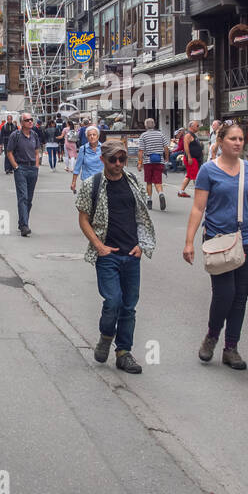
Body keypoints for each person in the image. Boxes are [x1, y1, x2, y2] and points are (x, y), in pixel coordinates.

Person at [182, 121, 248, 369]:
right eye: (232, 139)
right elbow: (198, 208)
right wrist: (189, 242)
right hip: (218, 240)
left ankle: (231, 348)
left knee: (239, 297)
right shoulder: (208, 171)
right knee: (224, 293)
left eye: (240, 139)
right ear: (221, 141)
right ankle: (212, 335)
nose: (238, 143)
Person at [76, 138, 155, 376]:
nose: (119, 164)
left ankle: (123, 353)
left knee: (129, 306)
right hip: (107, 254)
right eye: (114, 160)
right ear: (103, 160)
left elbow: (142, 216)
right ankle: (106, 336)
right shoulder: (92, 185)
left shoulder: (133, 182)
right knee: (113, 302)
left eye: (122, 159)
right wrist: (99, 246)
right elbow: (83, 219)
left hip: (132, 253)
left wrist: (142, 245)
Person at [6, 112, 42, 236]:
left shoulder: (34, 135)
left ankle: (22, 222)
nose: (30, 122)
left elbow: (37, 152)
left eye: (31, 119)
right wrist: (15, 166)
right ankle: (25, 226)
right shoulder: (15, 135)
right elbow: (9, 152)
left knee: (29, 199)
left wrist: (37, 166)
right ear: (22, 123)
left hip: (33, 168)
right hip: (21, 168)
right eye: (27, 120)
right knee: (23, 197)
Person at [136, 118, 169, 211]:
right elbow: (166, 147)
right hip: (159, 161)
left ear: (145, 126)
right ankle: (161, 194)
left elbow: (141, 151)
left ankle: (149, 201)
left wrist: (139, 163)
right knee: (158, 181)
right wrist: (166, 158)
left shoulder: (143, 136)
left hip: (148, 161)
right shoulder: (160, 134)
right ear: (154, 125)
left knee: (149, 182)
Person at [70, 125, 103, 195]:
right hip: (87, 183)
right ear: (87, 137)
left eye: (94, 134)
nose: (92, 136)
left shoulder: (104, 148)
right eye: (89, 135)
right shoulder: (83, 149)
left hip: (101, 182)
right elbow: (77, 168)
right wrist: (73, 182)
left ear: (98, 136)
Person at [176, 121, 203, 198]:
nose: (198, 127)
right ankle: (200, 193)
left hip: (195, 158)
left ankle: (181, 191)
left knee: (189, 176)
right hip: (192, 159)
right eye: (197, 126)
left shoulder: (193, 135)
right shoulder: (188, 135)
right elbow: (186, 147)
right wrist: (189, 157)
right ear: (191, 126)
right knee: (195, 176)